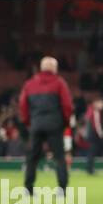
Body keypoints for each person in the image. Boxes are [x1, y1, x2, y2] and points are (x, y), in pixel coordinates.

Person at [19, 56, 73, 195]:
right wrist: (65, 122)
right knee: (59, 157)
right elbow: (67, 105)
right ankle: (62, 189)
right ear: (54, 68)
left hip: (36, 124)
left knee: (32, 157)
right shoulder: (59, 83)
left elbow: (23, 106)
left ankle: (28, 188)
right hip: (55, 125)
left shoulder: (30, 84)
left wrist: (28, 122)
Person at [85, 97, 103, 174]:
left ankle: (90, 169)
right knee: (92, 152)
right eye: (101, 104)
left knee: (91, 152)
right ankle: (90, 170)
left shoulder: (90, 109)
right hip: (93, 135)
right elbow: (97, 124)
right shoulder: (95, 111)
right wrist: (101, 134)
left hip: (90, 135)